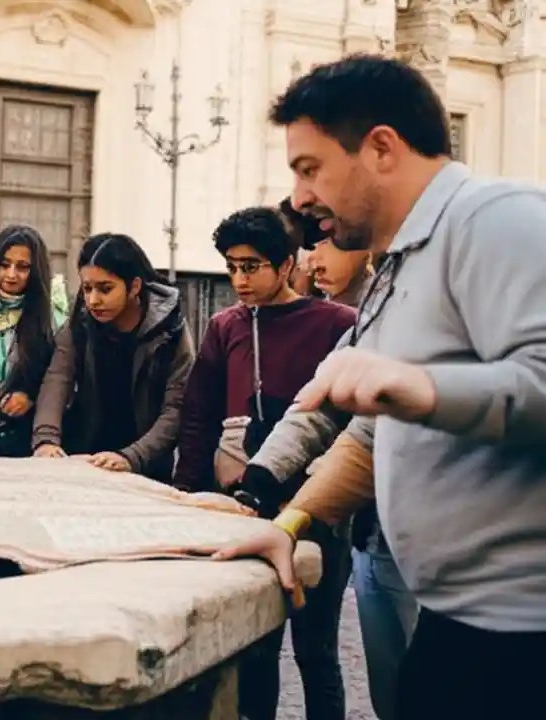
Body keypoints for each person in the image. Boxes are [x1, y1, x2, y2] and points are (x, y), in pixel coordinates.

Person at [209, 54, 546, 720]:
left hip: (522, 643)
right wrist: (289, 522)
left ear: (383, 148)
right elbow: (371, 433)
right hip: (458, 631)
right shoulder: (403, 263)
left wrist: (414, 385)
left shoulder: (495, 218)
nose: (301, 198)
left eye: (310, 169)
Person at [173, 206, 355, 720]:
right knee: (255, 650)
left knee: (316, 651)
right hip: (243, 510)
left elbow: (346, 420)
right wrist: (188, 497)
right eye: (231, 266)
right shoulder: (224, 326)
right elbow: (198, 416)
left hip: (318, 508)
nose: (239, 279)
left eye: (250, 266)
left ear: (286, 263)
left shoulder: (338, 323)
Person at [240, 199, 414, 720]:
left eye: (321, 243)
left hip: (443, 547)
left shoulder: (419, 302)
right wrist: (257, 483)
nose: (311, 260)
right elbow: (316, 409)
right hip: (378, 540)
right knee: (393, 695)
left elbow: (366, 432)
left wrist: (294, 511)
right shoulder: (367, 322)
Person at [32, 233, 192, 480]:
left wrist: (131, 456)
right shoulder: (80, 323)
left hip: (145, 467)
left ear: (135, 287)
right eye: (87, 288)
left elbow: (175, 409)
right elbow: (58, 378)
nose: (93, 300)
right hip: (85, 456)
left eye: (105, 289)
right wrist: (46, 440)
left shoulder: (171, 331)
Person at [0, 225, 66, 457]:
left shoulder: (52, 318)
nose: (11, 274)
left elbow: (58, 380)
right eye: (4, 264)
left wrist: (29, 396)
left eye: (22, 267)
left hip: (17, 438)